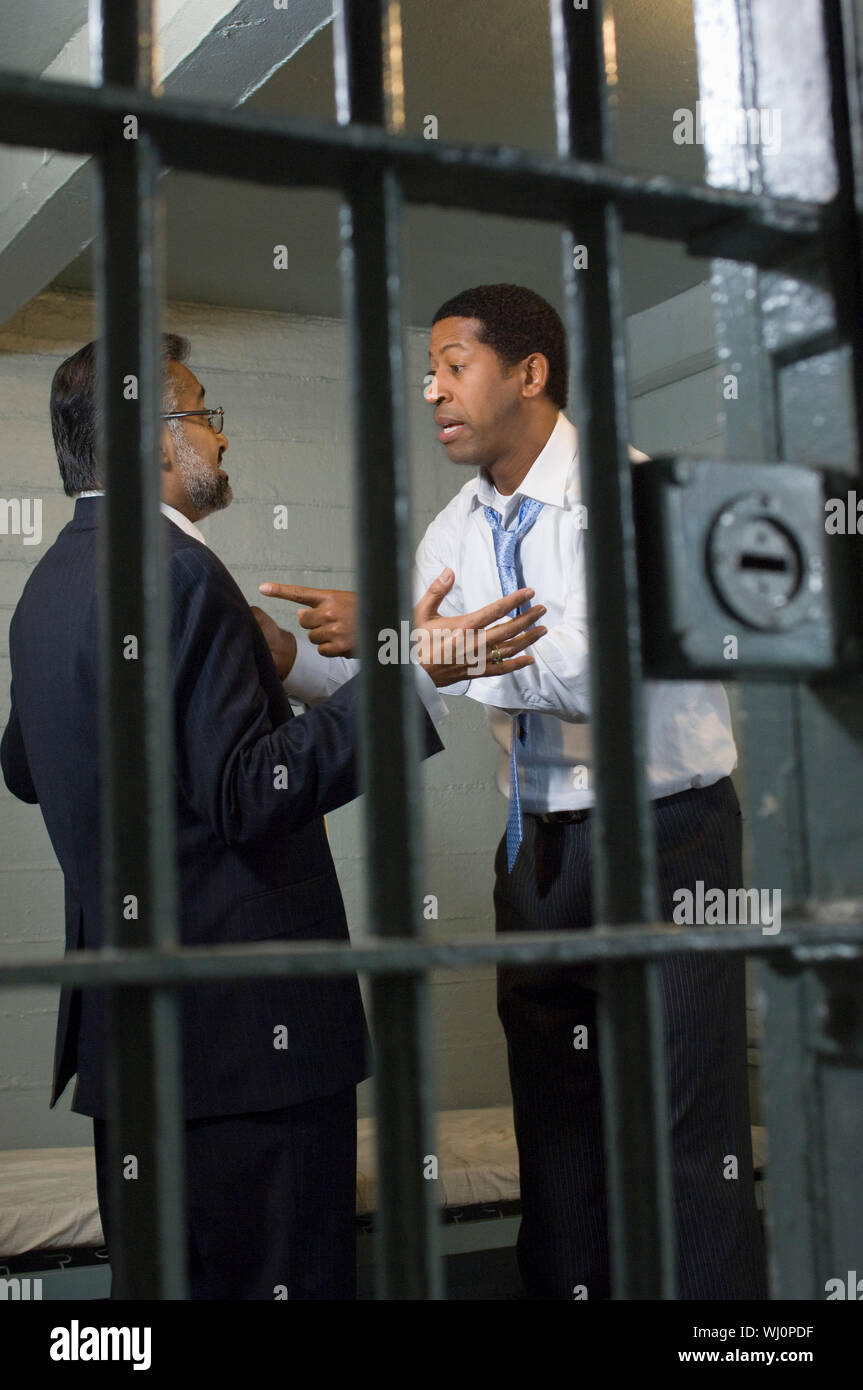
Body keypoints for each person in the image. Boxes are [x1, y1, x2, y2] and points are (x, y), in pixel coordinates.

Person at [0, 333, 543, 1301]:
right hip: (249, 1047)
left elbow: (28, 771)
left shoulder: (48, 587)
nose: (219, 436)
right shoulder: (175, 575)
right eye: (203, 412)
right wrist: (410, 671)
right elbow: (254, 793)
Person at [258, 283, 768, 1301]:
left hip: (662, 844)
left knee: (680, 1133)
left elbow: (590, 669)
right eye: (429, 370)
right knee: (557, 1138)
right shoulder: (453, 529)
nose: (430, 388)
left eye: (453, 364)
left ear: (528, 373)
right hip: (531, 853)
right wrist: (280, 657)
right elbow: (404, 672)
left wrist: (416, 641)